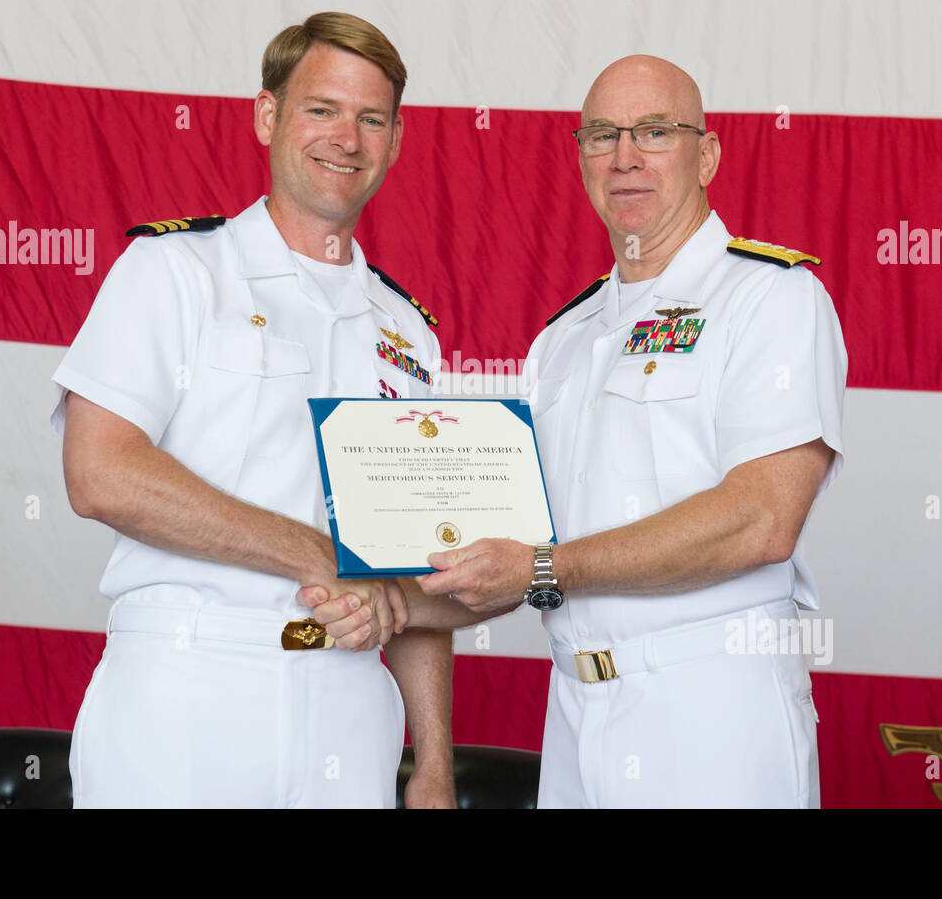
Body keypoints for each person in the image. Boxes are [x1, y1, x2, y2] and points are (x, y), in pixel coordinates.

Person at [311, 54, 846, 808]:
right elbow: (505, 554)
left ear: (709, 154)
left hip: (711, 714)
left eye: (655, 131)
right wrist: (380, 595)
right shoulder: (564, 340)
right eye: (601, 135)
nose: (625, 157)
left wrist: (538, 569)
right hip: (574, 711)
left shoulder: (770, 298)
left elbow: (761, 522)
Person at [51, 12, 455, 808]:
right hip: (191, 688)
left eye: (371, 119)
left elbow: (415, 568)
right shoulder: (176, 271)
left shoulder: (409, 332)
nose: (347, 137)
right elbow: (98, 473)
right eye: (321, 109)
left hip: (351, 705)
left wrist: (434, 764)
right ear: (268, 115)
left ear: (396, 140)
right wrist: (313, 553)